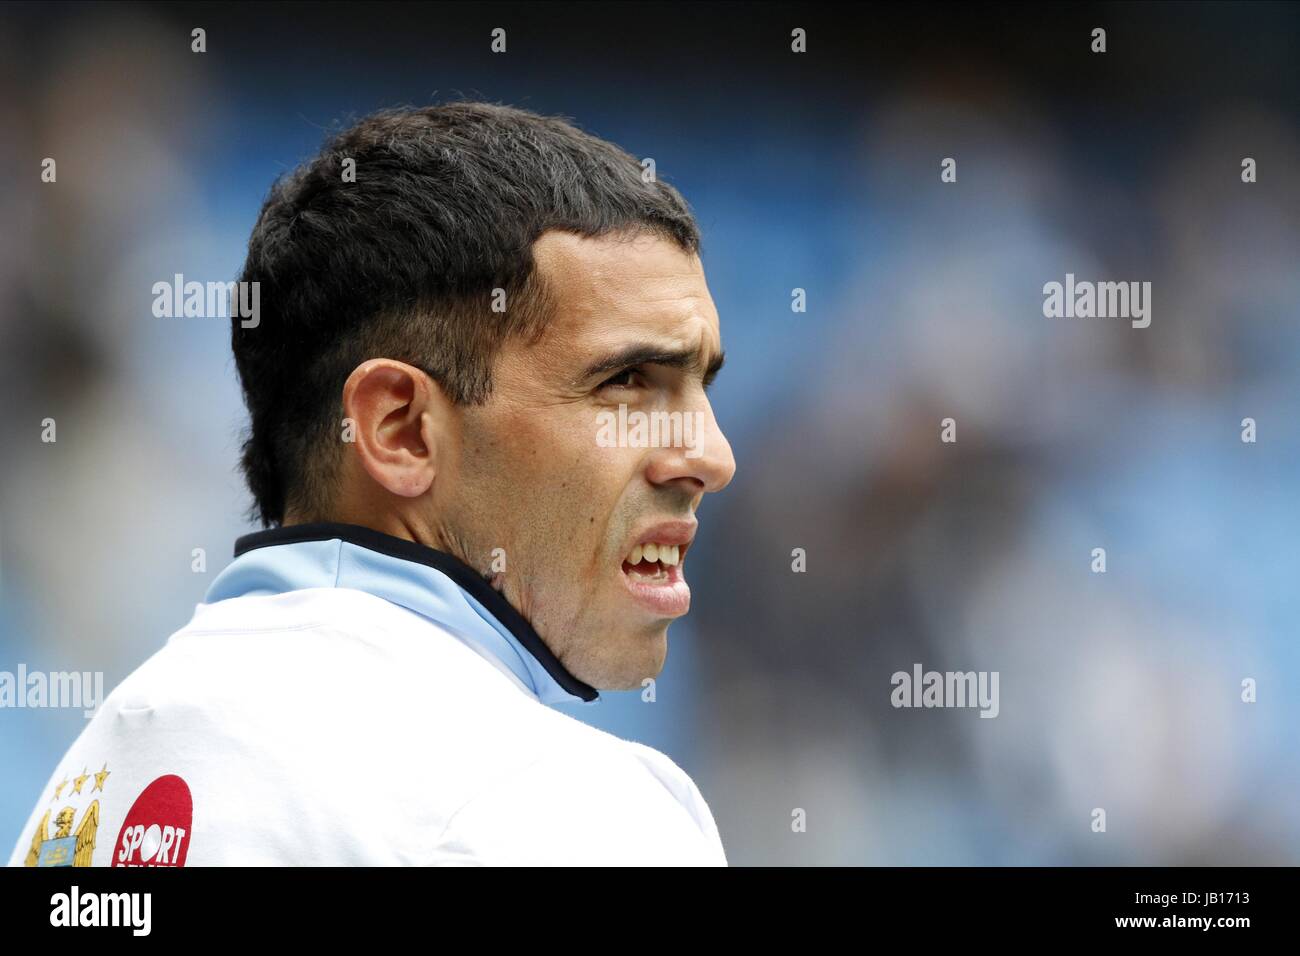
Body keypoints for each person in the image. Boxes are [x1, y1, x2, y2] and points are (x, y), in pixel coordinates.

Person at [8, 101, 736, 866]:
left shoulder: (87, 790)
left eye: (702, 390)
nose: (711, 457)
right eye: (626, 381)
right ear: (399, 430)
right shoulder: (566, 813)